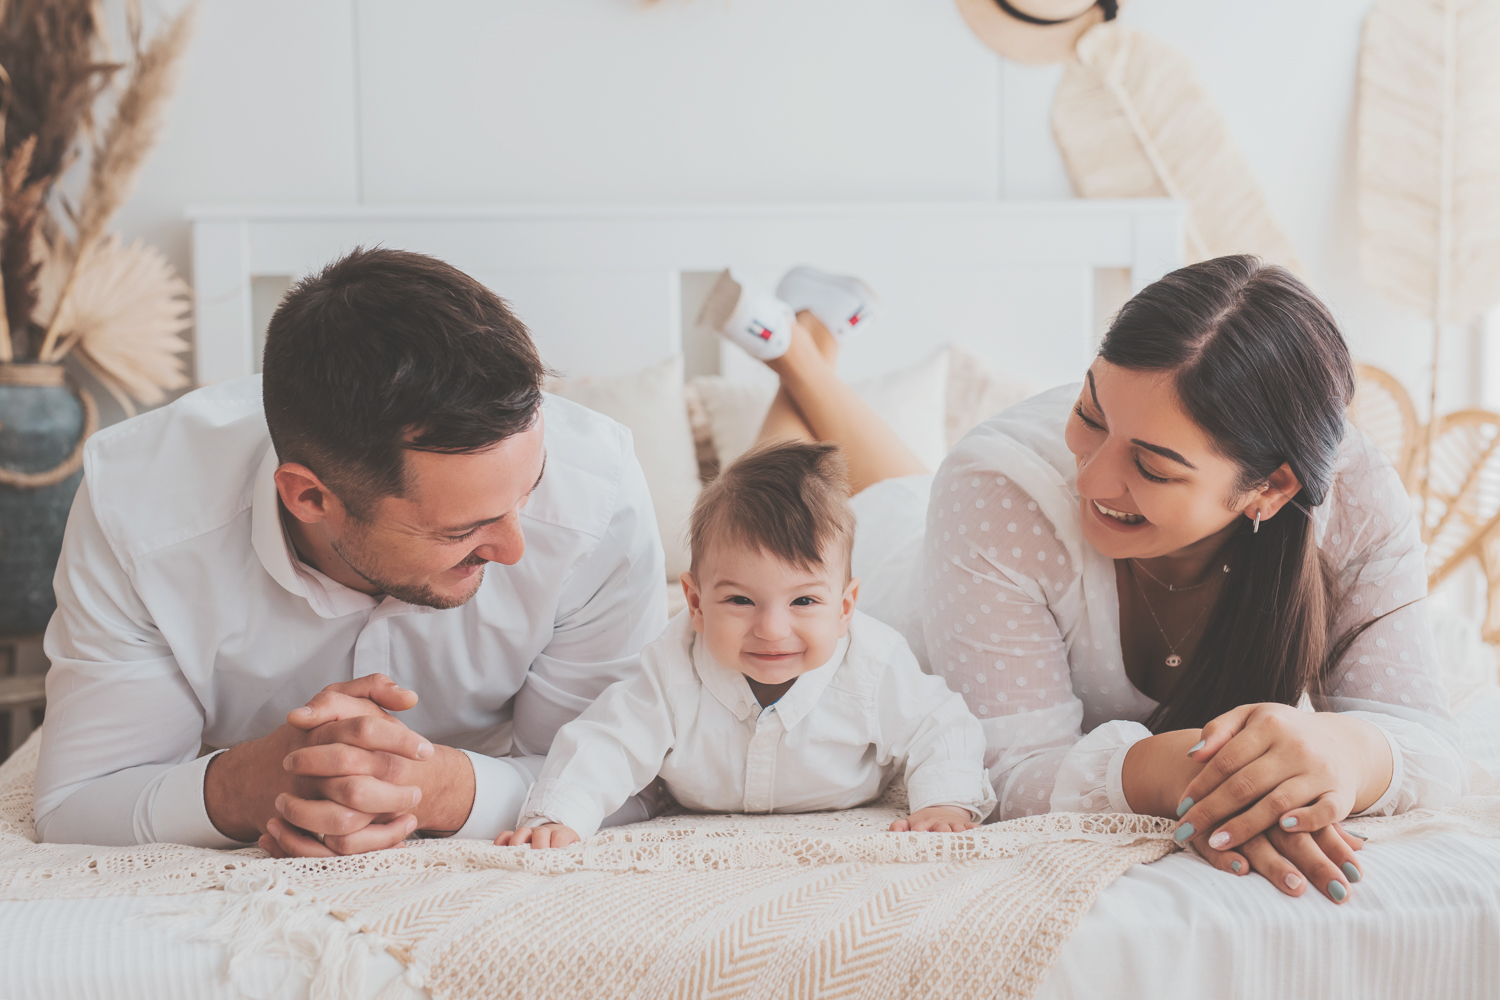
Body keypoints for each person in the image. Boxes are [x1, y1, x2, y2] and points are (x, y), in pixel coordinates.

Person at [701, 257, 1469, 905]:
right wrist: (1203, 774)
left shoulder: (1355, 496)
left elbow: (1423, 737)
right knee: (768, 513)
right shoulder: (998, 488)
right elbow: (1008, 769)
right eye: (1088, 413)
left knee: (916, 481)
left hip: (955, 518)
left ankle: (804, 346)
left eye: (1153, 465)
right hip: (902, 566)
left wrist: (1342, 753)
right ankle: (802, 352)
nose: (1091, 476)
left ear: (1270, 489)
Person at [34, 247, 668, 856]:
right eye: (460, 530)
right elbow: (78, 801)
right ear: (309, 497)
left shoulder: (598, 501)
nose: (514, 549)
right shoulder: (140, 511)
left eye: (527, 494)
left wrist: (440, 788)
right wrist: (244, 787)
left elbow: (637, 774)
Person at [497, 440, 994, 849]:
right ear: (694, 602)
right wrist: (559, 816)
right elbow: (609, 742)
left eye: (803, 600)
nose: (772, 629)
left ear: (845, 607)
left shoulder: (873, 662)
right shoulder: (672, 666)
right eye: (739, 600)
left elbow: (940, 725)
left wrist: (942, 803)